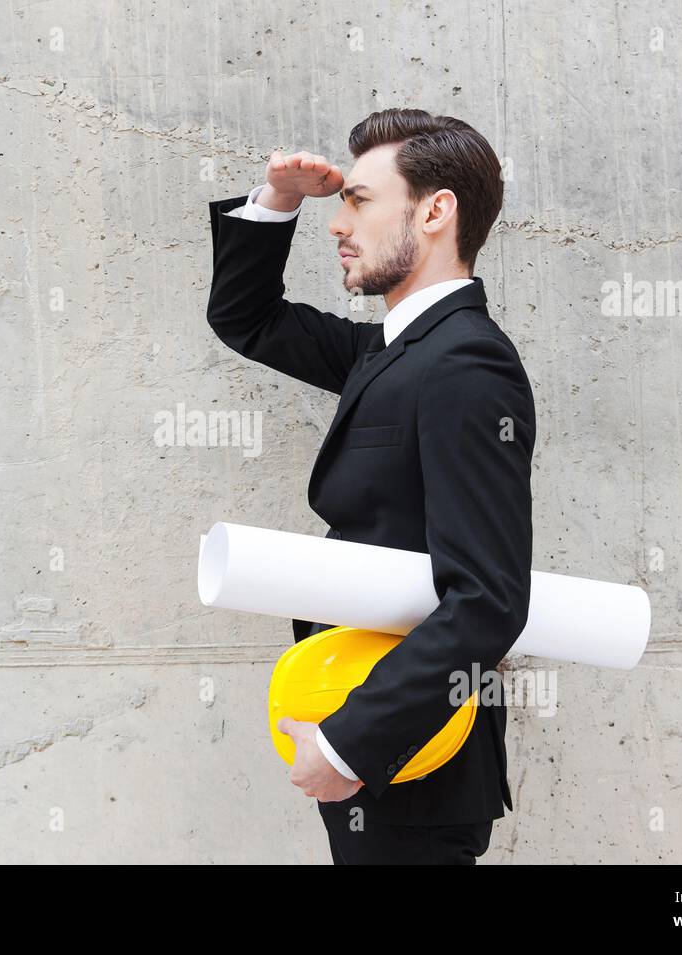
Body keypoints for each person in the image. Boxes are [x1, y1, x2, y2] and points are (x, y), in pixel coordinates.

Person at [205, 108, 536, 864]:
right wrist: (278, 200)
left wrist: (352, 744)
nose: (337, 223)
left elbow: (487, 598)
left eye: (358, 200)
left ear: (434, 211)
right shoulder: (390, 350)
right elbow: (245, 317)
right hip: (379, 742)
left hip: (412, 753)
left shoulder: (464, 365)